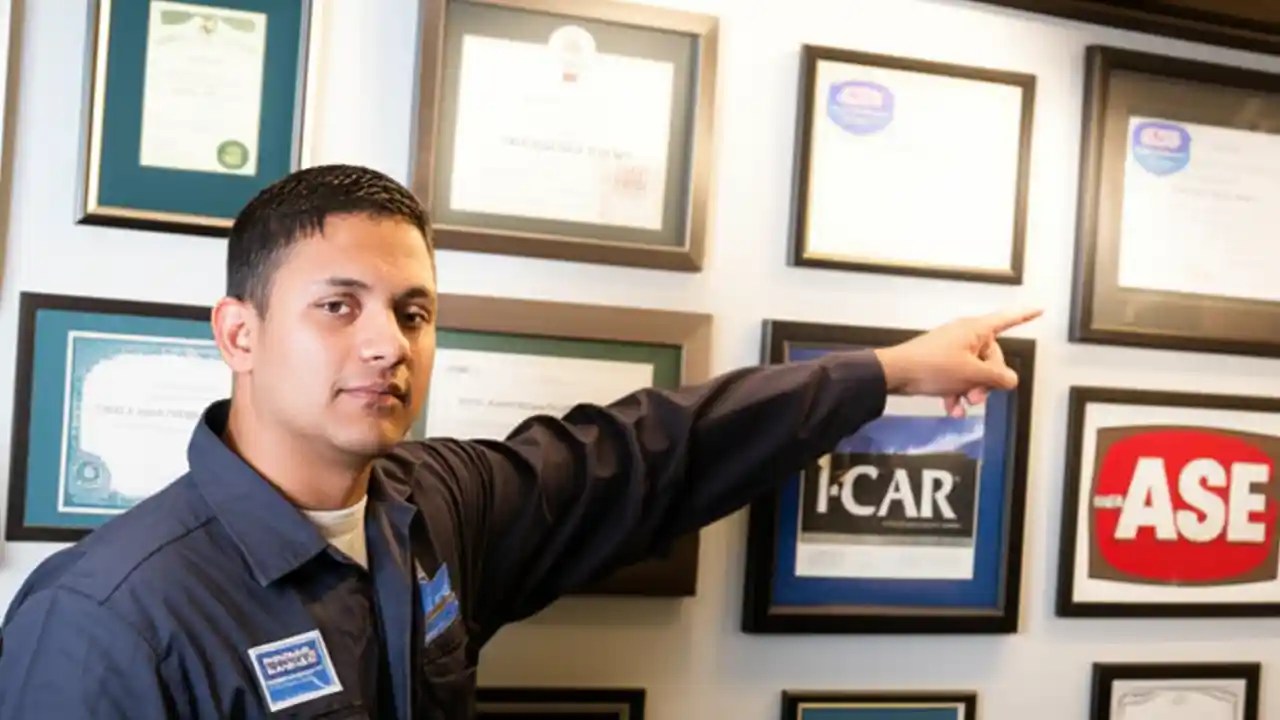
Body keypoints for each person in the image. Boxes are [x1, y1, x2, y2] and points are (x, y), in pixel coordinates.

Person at [0, 164, 1039, 719]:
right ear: (239, 332)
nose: (384, 344)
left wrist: (888, 371)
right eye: (336, 305)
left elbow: (649, 454)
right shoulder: (106, 614)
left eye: (411, 312)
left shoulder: (429, 508)